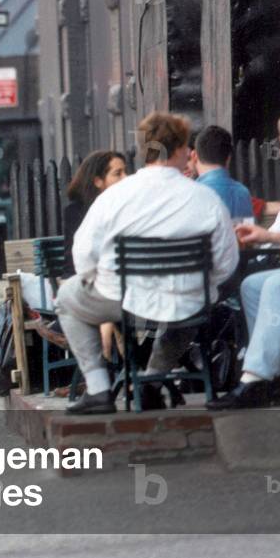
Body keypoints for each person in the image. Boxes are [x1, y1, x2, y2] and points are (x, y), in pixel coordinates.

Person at [55, 112, 239, 414]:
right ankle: (152, 382)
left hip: (123, 301)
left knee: (65, 298)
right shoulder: (205, 200)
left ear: (144, 150)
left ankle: (99, 388)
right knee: (188, 309)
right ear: (181, 149)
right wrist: (199, 284)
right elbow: (226, 262)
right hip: (186, 301)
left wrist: (97, 278)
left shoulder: (115, 197)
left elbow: (83, 252)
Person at [212, 108, 280, 409]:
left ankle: (254, 379)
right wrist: (265, 236)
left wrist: (272, 236)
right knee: (253, 285)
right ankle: (277, 376)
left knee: (277, 285)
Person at [62, 151, 128, 278]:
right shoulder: (76, 211)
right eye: (118, 173)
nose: (125, 178)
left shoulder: (129, 207)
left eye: (125, 172)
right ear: (98, 181)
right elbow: (75, 261)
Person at [194, 125, 254, 220]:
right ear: (229, 157)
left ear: (194, 156)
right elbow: (247, 232)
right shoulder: (242, 192)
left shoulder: (190, 193)